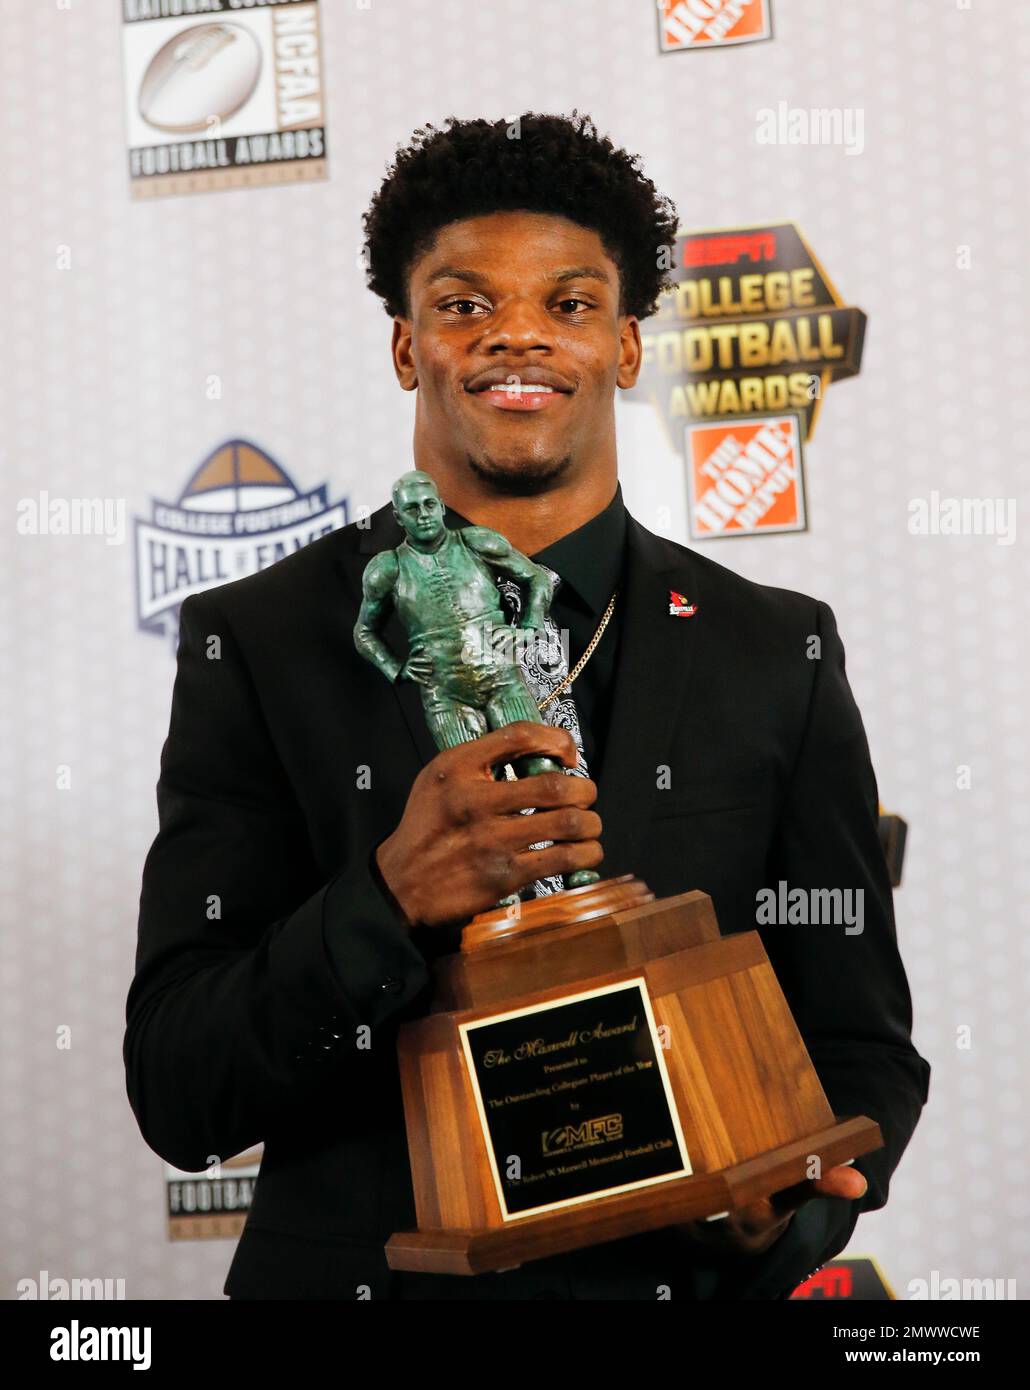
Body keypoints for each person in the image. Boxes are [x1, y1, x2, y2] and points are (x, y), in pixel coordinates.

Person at [124, 111, 930, 1300]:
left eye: (568, 304)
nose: (516, 335)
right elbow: (181, 1087)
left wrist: (783, 1213)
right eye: (462, 304)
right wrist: (387, 898)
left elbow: (858, 1045)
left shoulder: (774, 647)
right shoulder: (263, 640)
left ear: (624, 346)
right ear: (406, 347)